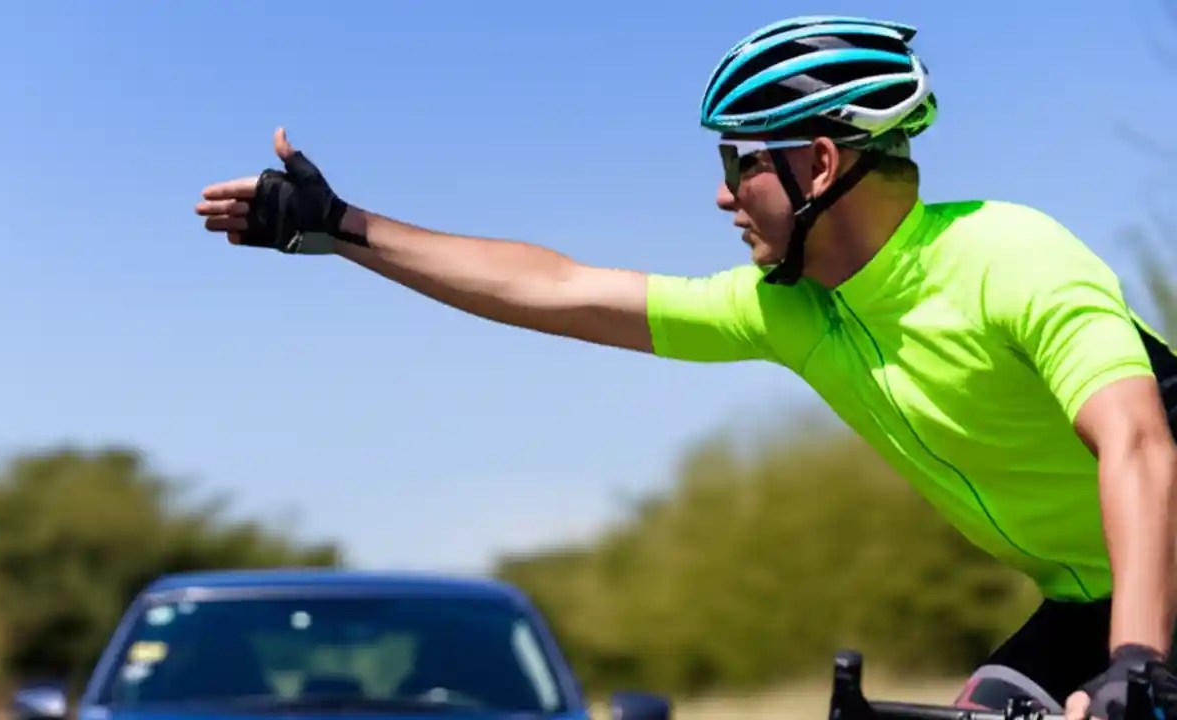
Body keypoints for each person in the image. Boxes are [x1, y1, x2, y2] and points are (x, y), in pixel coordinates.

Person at [194, 15, 1177, 720]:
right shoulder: (793, 313)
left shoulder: (1007, 254)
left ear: (819, 167)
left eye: (734, 163)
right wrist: (342, 227)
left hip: (1150, 589)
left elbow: (1133, 442)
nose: (720, 198)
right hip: (1085, 603)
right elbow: (561, 289)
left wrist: (1137, 660)